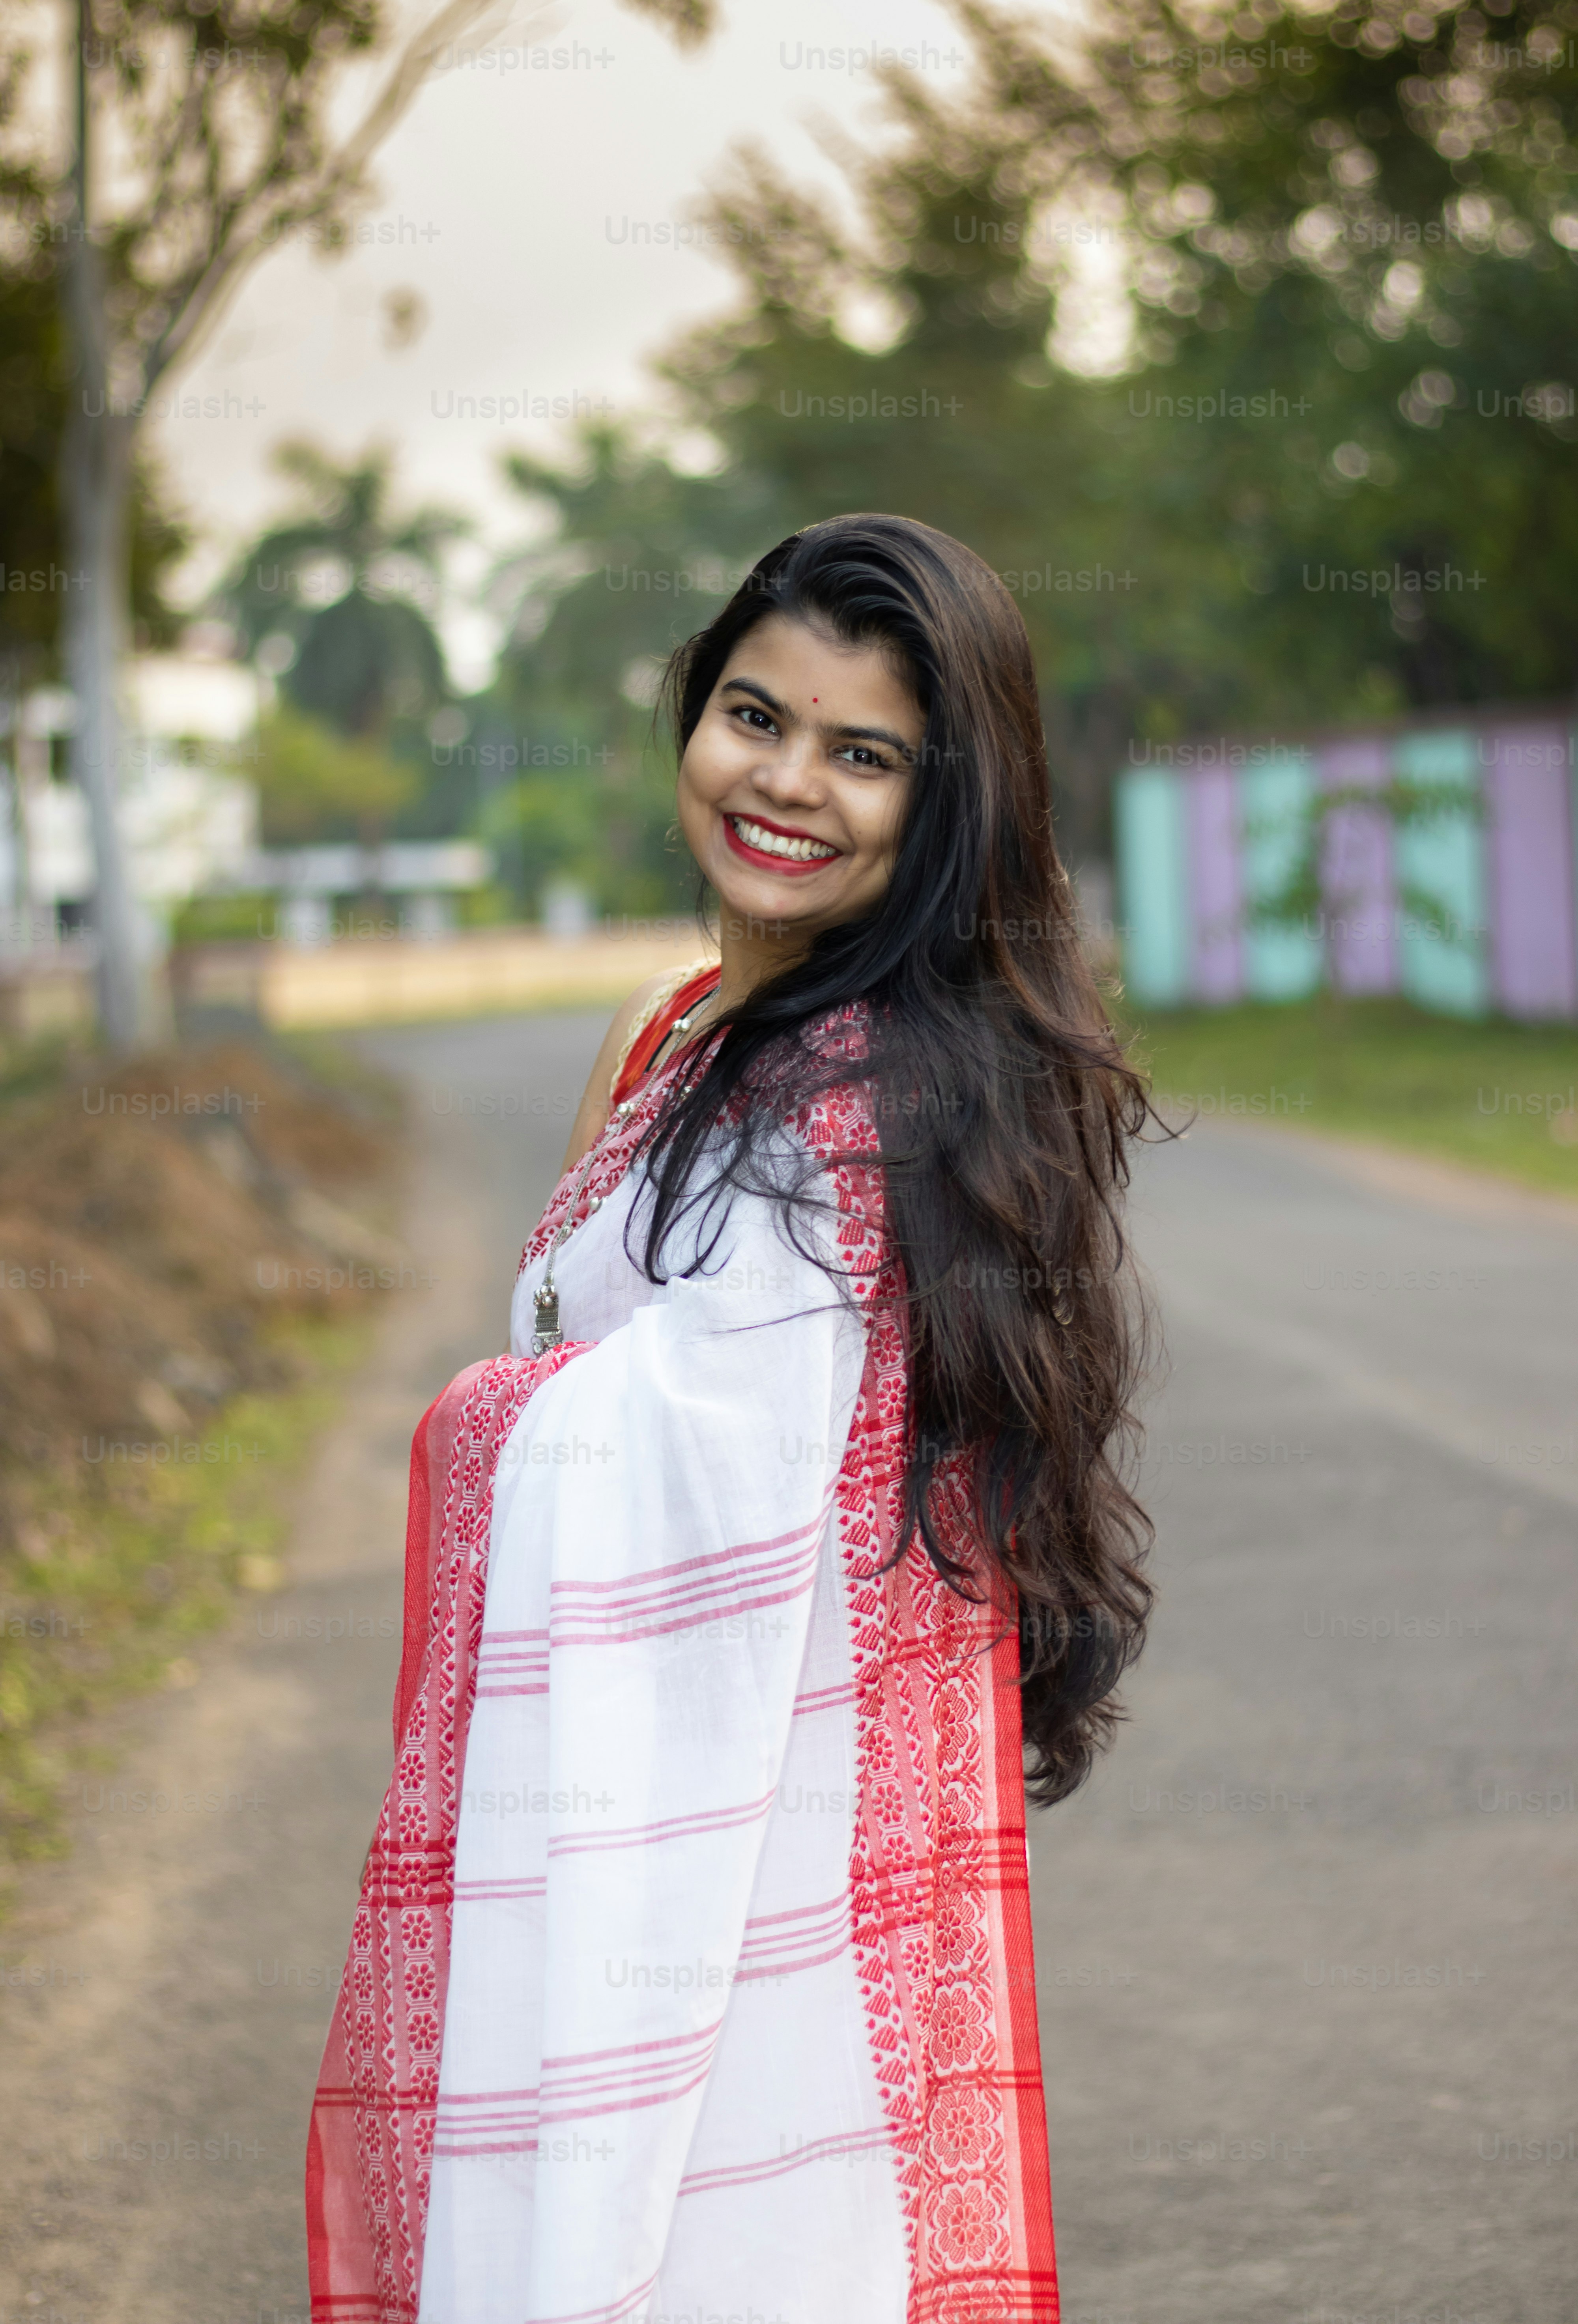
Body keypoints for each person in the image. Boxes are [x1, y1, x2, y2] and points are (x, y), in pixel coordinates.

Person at [307, 514, 1154, 2324]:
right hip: (622, 1805)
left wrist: (485, 1418)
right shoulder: (675, 1027)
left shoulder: (868, 1101)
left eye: (863, 754)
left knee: (736, 2252)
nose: (784, 782)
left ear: (944, 806)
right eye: (754, 716)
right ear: (692, 711)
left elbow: (691, 1477)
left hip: (763, 1856)